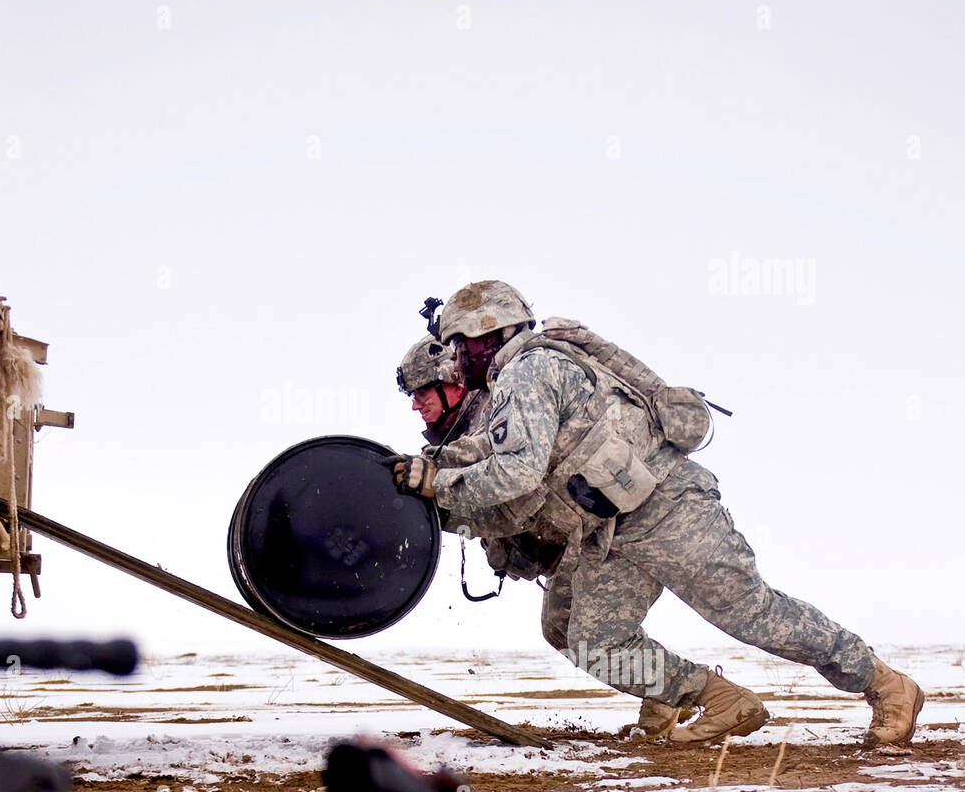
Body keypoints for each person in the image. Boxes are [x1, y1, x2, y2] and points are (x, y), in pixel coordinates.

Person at [388, 280, 925, 746]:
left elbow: (516, 476)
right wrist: (432, 484)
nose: (454, 358)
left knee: (753, 613)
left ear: (487, 335)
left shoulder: (528, 372)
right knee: (590, 641)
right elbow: (508, 472)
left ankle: (884, 683)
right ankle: (718, 698)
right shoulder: (518, 378)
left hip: (669, 510)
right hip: (610, 530)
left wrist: (438, 483)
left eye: (458, 345)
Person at [396, 331, 692, 738]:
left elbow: (519, 491)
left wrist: (439, 495)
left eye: (422, 392)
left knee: (572, 628)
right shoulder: (462, 426)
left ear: (452, 380)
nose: (415, 404)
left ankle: (692, 691)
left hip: (604, 532)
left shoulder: (499, 409)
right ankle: (670, 691)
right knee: (563, 628)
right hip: (571, 543)